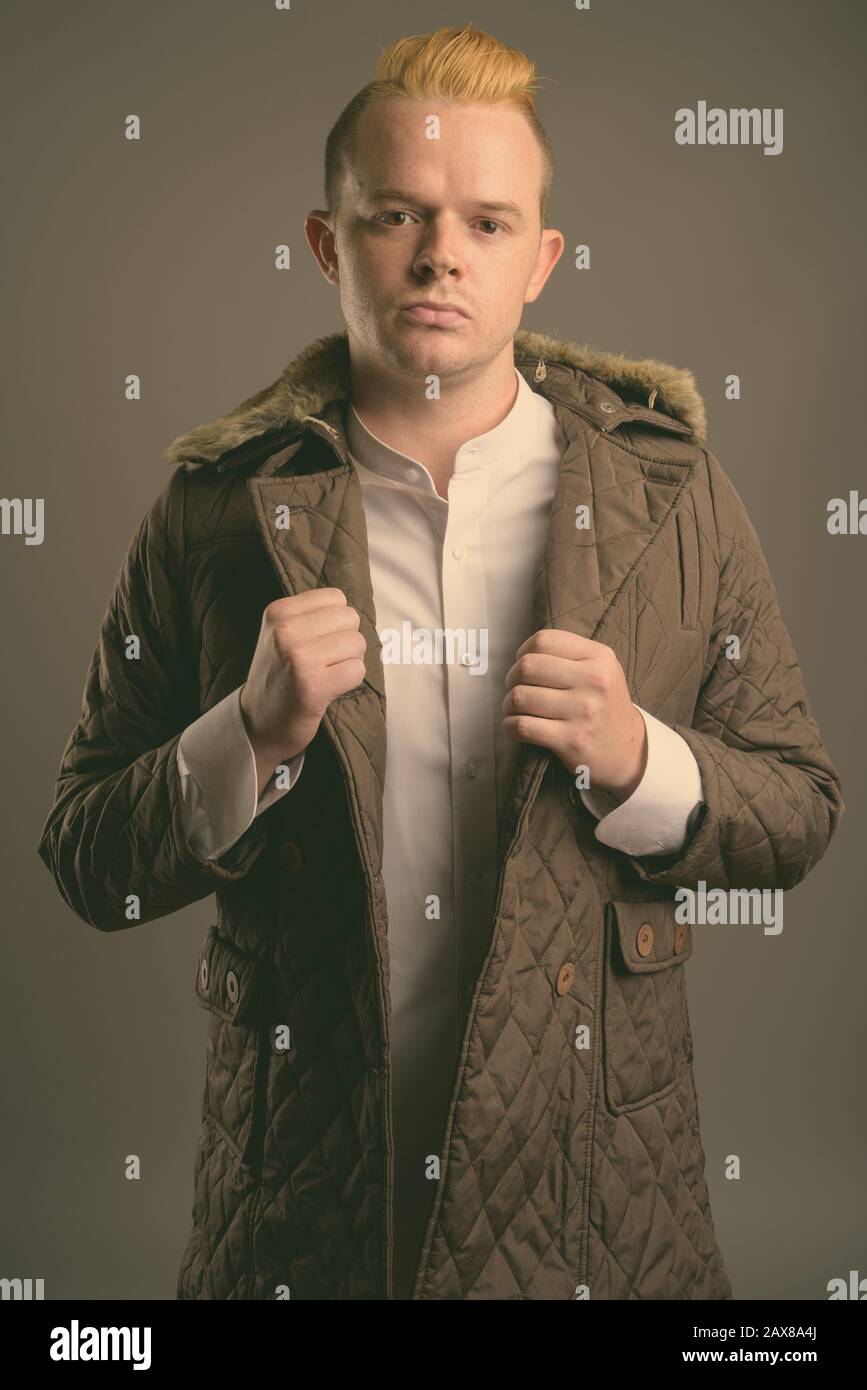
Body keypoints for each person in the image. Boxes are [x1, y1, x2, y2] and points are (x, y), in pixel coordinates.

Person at [37, 23, 844, 1301]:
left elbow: (801, 808)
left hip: (600, 1203)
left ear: (540, 261)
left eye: (485, 222)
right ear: (325, 244)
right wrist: (241, 738)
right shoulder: (215, 510)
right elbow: (84, 853)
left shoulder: (671, 490)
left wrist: (646, 761)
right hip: (303, 1193)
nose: (439, 258)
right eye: (396, 217)